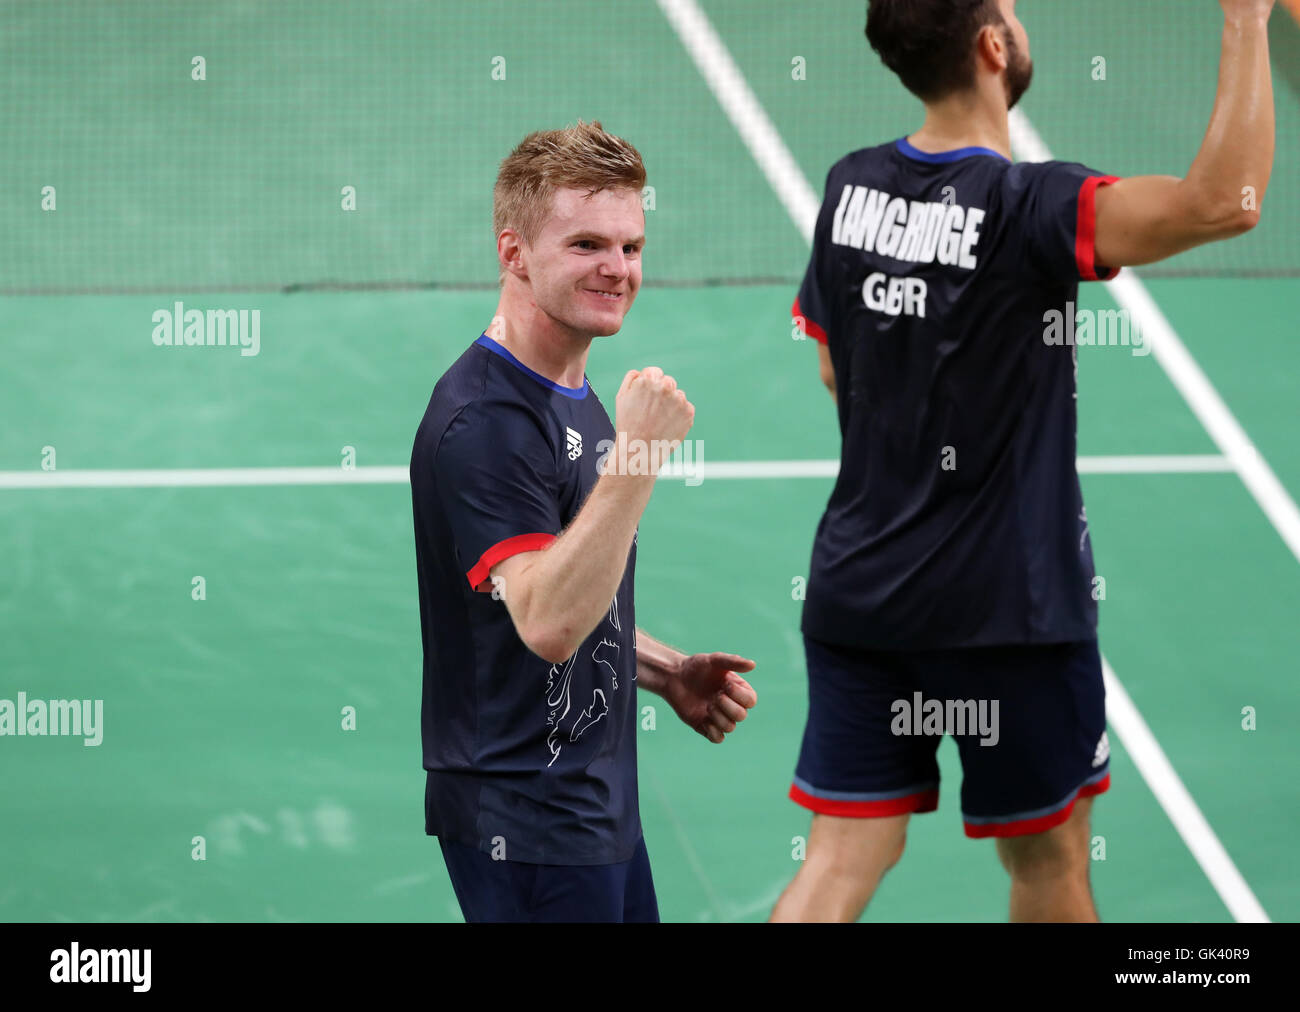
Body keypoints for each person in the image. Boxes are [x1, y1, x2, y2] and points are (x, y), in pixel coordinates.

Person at [774, 0, 1275, 922]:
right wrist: (1245, 19)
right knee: (1048, 865)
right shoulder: (1033, 207)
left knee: (841, 859)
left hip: (861, 593)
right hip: (1012, 611)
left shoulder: (850, 189)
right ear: (992, 45)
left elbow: (834, 366)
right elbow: (1224, 204)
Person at [410, 120, 758, 923]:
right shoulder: (487, 422)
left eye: (632, 247)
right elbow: (547, 621)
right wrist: (637, 457)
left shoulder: (568, 387)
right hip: (523, 813)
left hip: (589, 797)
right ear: (514, 254)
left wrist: (665, 672)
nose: (618, 269)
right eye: (588, 246)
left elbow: (550, 585)